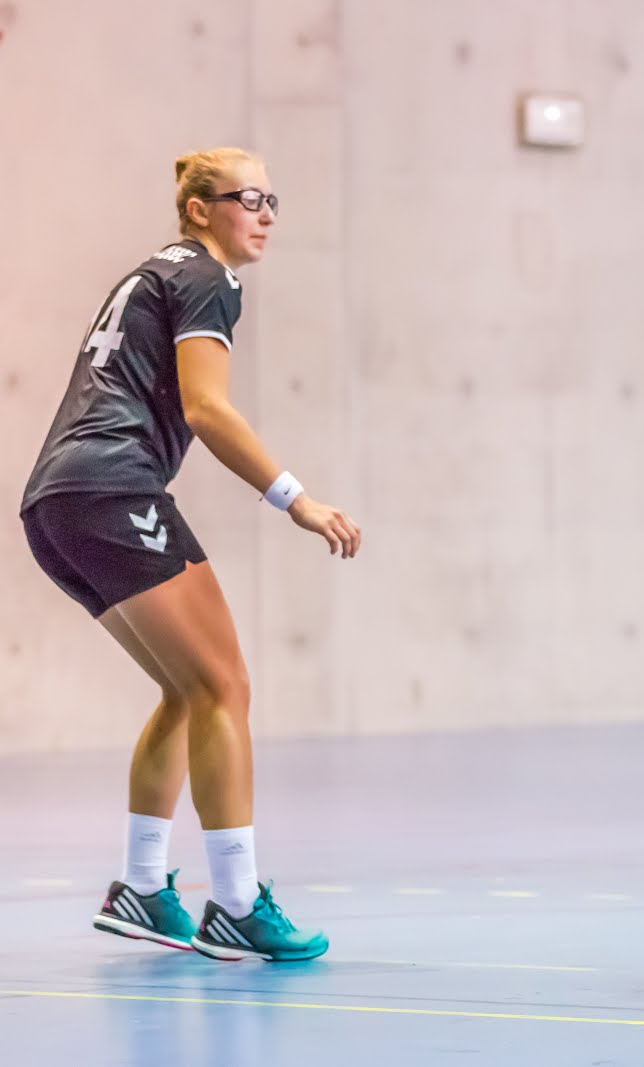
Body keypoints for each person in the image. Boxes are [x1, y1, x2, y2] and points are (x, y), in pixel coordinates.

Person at [19, 148, 359, 962]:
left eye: (273, 197)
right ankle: (236, 902)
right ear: (201, 208)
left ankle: (141, 888)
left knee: (186, 691)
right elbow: (207, 408)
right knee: (224, 685)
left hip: (57, 502)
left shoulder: (154, 272)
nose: (267, 212)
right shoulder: (207, 277)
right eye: (248, 197)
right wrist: (296, 498)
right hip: (110, 488)